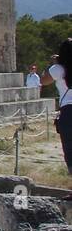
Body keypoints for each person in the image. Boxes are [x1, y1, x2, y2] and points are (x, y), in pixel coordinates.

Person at [41, 40, 72, 175]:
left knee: (70, 151)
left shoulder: (58, 69)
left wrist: (53, 64)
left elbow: (43, 81)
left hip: (68, 111)